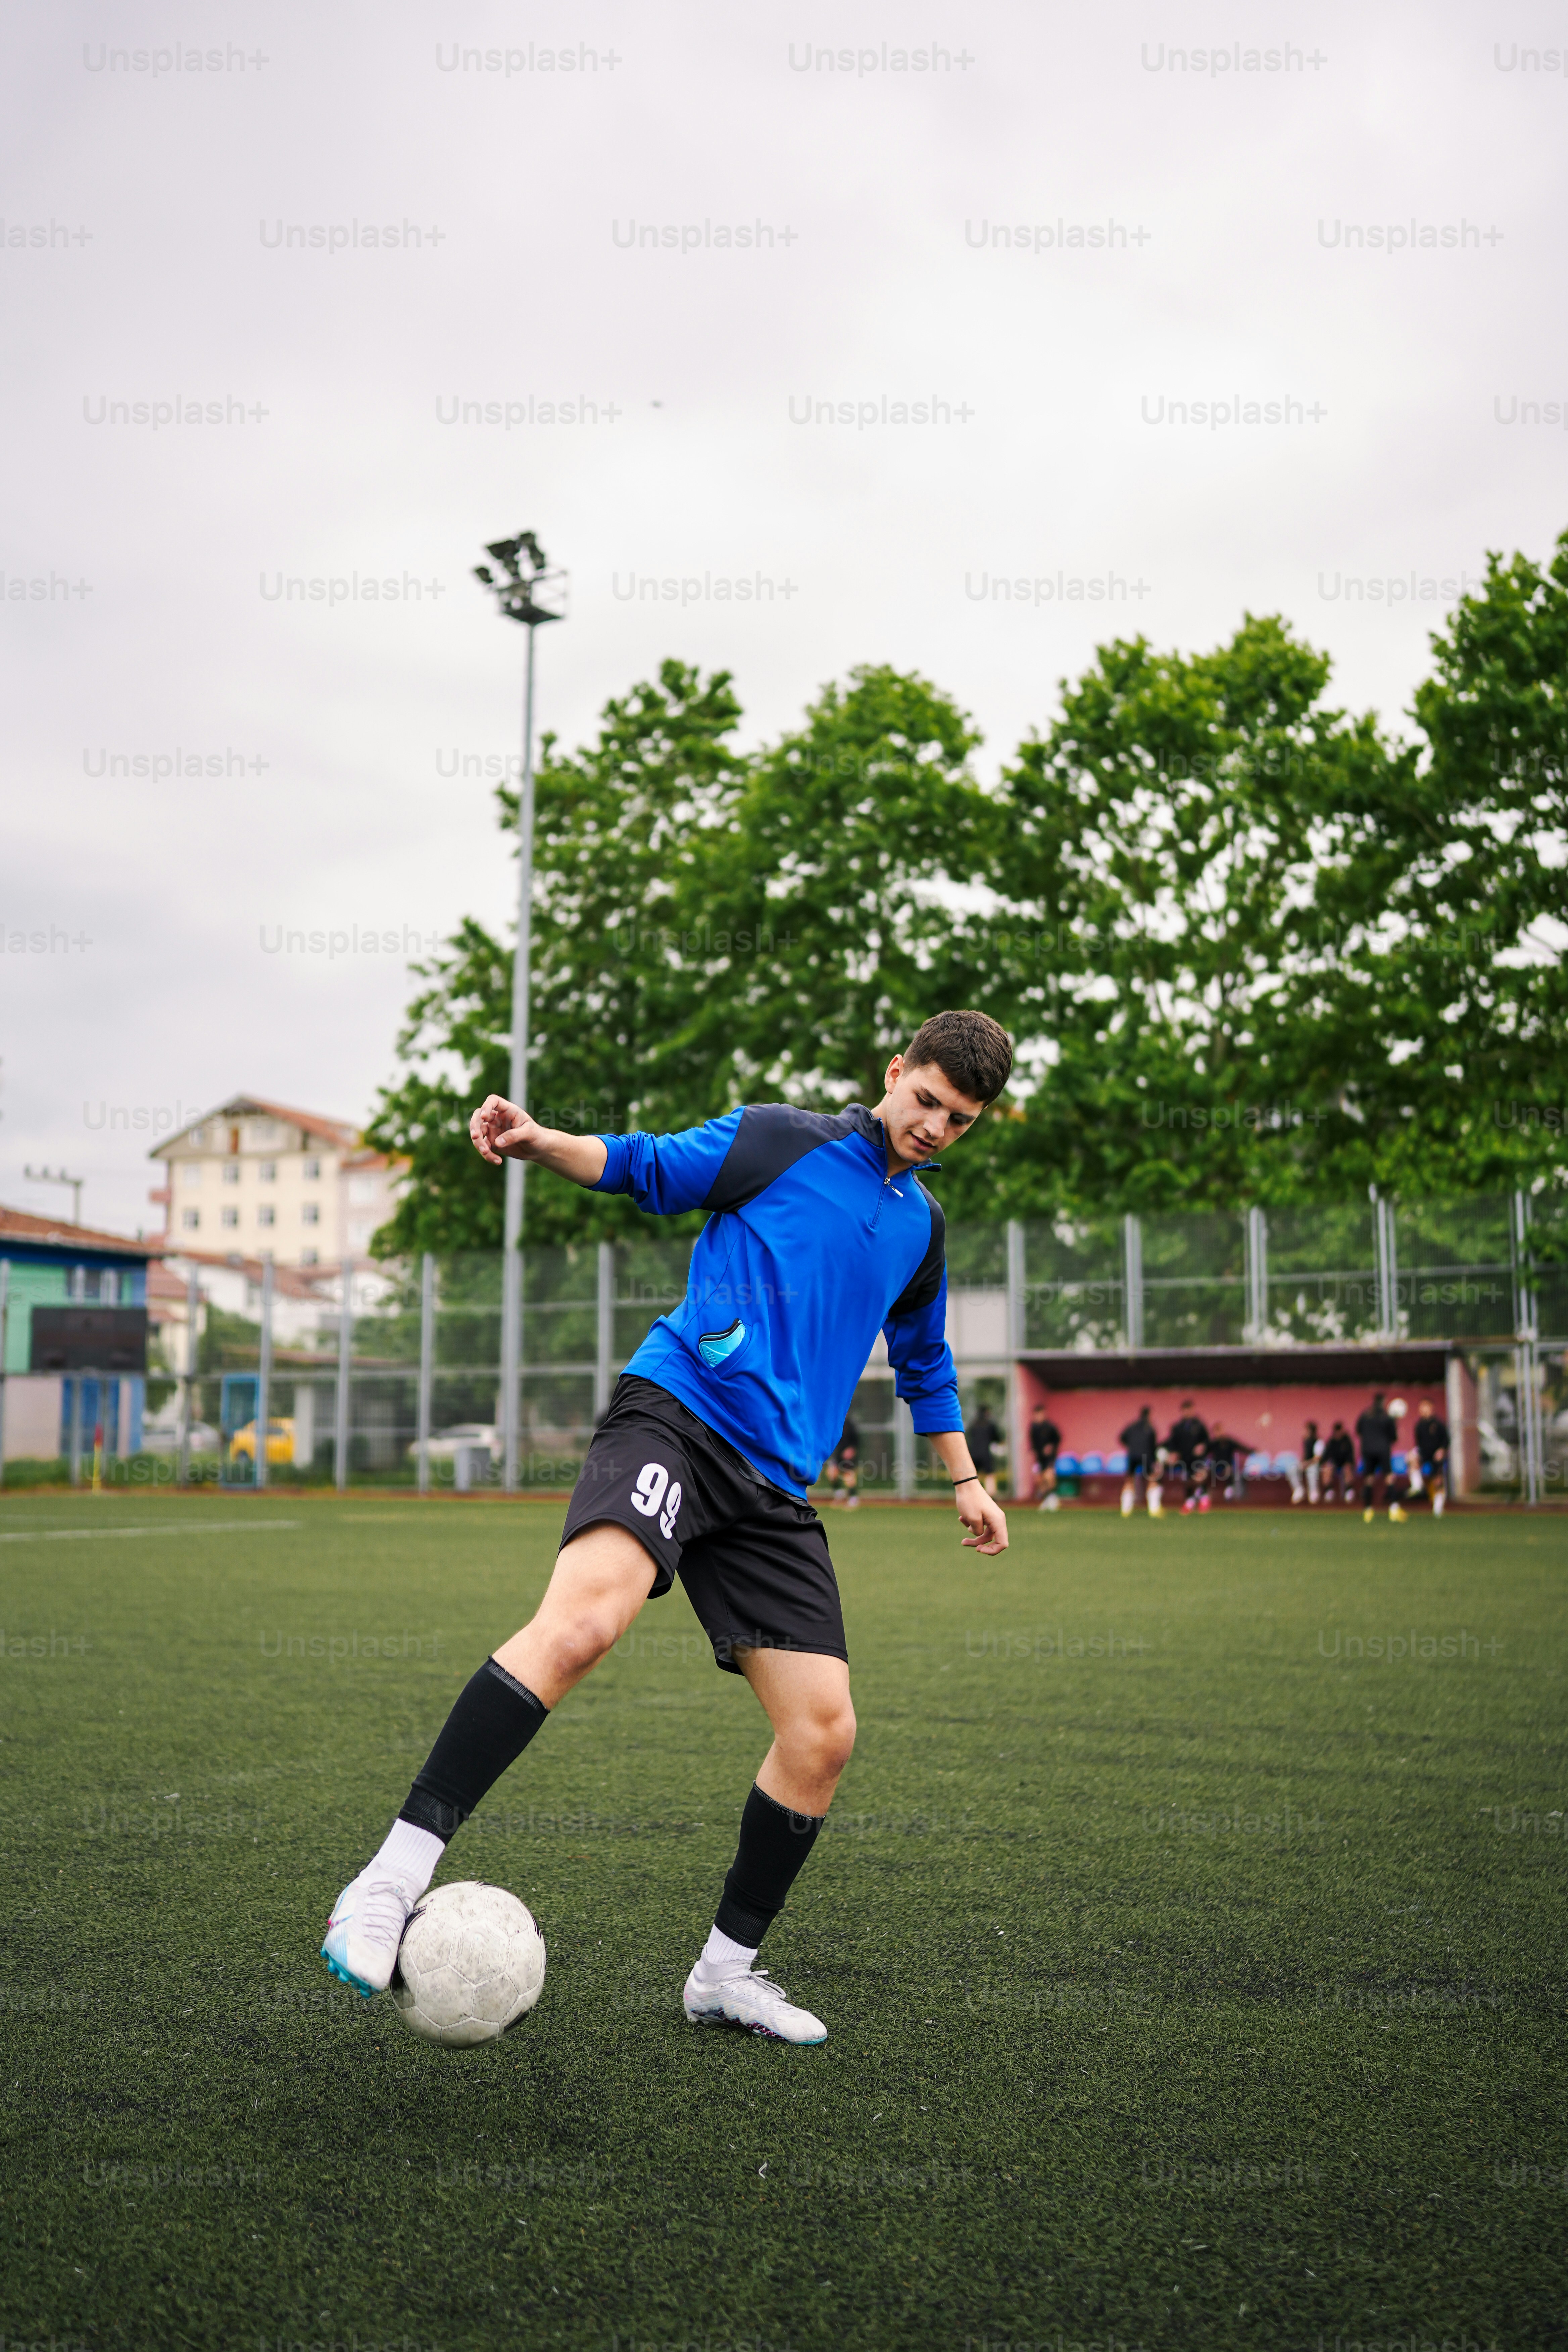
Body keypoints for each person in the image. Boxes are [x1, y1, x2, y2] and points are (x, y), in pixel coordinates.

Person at [321, 1009, 1013, 2048]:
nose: (934, 1127)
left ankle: (724, 1975)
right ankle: (386, 1881)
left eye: (958, 1120)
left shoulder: (922, 1227)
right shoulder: (784, 1140)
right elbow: (644, 1164)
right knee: (585, 1623)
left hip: (774, 1487)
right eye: (926, 1101)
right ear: (895, 1072)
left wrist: (967, 1479)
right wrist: (540, 1137)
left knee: (822, 1733)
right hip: (678, 1418)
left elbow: (925, 1360)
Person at [1357, 1390, 1403, 1522]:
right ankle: (1394, 1510)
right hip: (1383, 1450)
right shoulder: (1387, 1417)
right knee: (1389, 1477)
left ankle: (1368, 1511)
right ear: (1384, 1402)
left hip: (1368, 1450)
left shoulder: (1365, 1415)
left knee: (1369, 1479)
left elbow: (1358, 1431)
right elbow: (1393, 1438)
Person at [1167, 1398, 1210, 1512]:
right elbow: (1173, 1443)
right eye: (1185, 1411)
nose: (1188, 1413)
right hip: (1185, 1459)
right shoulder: (1178, 1427)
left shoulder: (1199, 1425)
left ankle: (1202, 1500)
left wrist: (1202, 1446)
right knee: (1188, 1481)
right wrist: (1173, 1453)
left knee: (1199, 1478)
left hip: (1198, 1458)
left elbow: (1207, 1440)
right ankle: (1191, 1501)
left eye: (1189, 1410)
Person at [1411, 1397, 1451, 1518]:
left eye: (1425, 1407)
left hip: (1436, 1455)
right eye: (1421, 1407)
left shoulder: (1438, 1424)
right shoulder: (1419, 1425)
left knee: (1438, 1480)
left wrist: (1442, 1450)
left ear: (1431, 1408)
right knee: (1411, 1459)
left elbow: (1447, 1440)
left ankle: (1438, 1507)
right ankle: (1417, 1486)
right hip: (1424, 1453)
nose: (1423, 1410)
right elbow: (1418, 1443)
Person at [1118, 1405, 1160, 1516]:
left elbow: (1122, 1438)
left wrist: (1132, 1446)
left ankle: (1126, 1510)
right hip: (1147, 1456)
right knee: (1152, 1480)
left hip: (1132, 1456)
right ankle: (1154, 1510)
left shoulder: (1132, 1427)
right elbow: (1153, 1446)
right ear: (1149, 1415)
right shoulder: (1150, 1428)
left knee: (1129, 1480)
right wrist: (1155, 1460)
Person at [821, 1415, 861, 1509]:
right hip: (838, 1455)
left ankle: (853, 1498)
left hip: (848, 1456)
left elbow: (856, 1441)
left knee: (848, 1475)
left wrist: (852, 1450)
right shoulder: (834, 1423)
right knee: (832, 1473)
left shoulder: (850, 1424)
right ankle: (839, 1495)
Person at [965, 1399, 1002, 1500]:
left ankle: (971, 1497)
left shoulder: (973, 1424)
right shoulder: (990, 1424)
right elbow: (997, 1438)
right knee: (990, 1475)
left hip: (973, 1453)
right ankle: (990, 1498)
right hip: (985, 1454)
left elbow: (969, 1436)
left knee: (973, 1475)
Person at [1029, 1403, 1062, 1511]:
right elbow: (1033, 1443)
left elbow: (1058, 1439)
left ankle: (1053, 1499)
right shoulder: (1033, 1428)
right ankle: (1047, 1499)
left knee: (1049, 1477)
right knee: (1040, 1480)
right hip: (1039, 1459)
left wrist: (1051, 1447)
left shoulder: (1050, 1427)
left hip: (1050, 1458)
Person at [1289, 1418, 1322, 1506]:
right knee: (1293, 1469)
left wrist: (1307, 1464)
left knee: (1312, 1471)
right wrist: (1302, 1463)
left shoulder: (1319, 1442)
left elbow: (1317, 1459)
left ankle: (1313, 1492)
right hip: (1306, 1464)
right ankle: (1299, 1490)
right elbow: (1305, 1455)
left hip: (1314, 1465)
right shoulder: (1306, 1441)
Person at [1321, 1420, 1356, 1503]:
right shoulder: (1332, 1441)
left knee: (1347, 1469)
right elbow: (1326, 1456)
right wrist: (1325, 1463)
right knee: (1327, 1468)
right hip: (1335, 1465)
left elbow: (1351, 1457)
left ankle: (1349, 1490)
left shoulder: (1347, 1441)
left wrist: (1349, 1464)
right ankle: (1329, 1491)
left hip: (1345, 1464)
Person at [1207, 1420, 1240, 1502]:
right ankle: (1204, 1493)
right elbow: (1205, 1452)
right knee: (1205, 1472)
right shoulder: (1213, 1443)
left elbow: (1241, 1447)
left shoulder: (1229, 1442)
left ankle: (1229, 1490)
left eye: (1219, 1431)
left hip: (1227, 1465)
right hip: (1215, 1466)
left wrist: (1254, 1451)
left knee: (1229, 1471)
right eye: (1216, 1431)